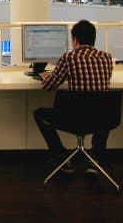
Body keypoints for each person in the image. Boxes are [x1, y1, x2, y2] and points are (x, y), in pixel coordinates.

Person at [34, 20, 113, 177]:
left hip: (73, 119)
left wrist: (45, 76)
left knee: (39, 114)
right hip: (102, 118)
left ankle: (61, 156)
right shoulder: (106, 57)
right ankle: (95, 158)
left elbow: (48, 86)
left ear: (75, 39)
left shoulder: (69, 57)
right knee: (102, 108)